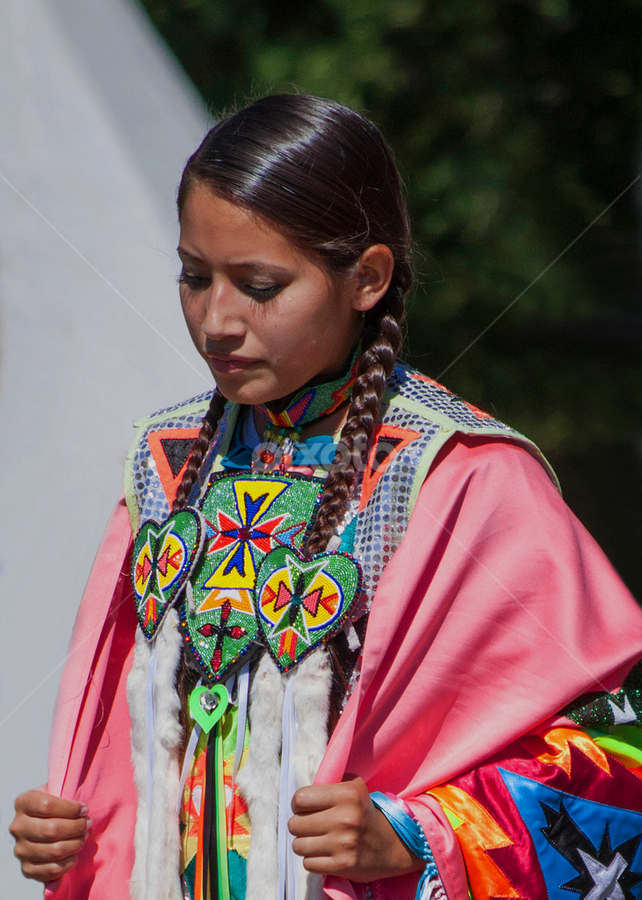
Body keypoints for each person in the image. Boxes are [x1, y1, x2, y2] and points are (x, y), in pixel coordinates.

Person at [10, 94, 642, 900]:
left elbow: (621, 750)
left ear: (367, 277)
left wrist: (418, 833)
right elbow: (131, 750)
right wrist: (74, 825)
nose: (217, 320)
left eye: (261, 285)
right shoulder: (165, 469)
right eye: (194, 277)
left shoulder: (459, 479)